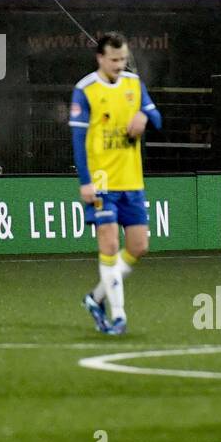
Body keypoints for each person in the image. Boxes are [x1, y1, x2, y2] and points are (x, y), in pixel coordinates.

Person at [71, 32, 162, 335]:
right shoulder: (85, 90)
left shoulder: (134, 85)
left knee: (138, 247)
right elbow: (77, 139)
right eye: (114, 60)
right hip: (101, 182)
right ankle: (119, 316)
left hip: (131, 181)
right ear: (100, 58)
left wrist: (145, 120)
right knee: (109, 244)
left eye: (123, 59)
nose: (119, 64)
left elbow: (157, 118)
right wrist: (85, 181)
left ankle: (95, 298)